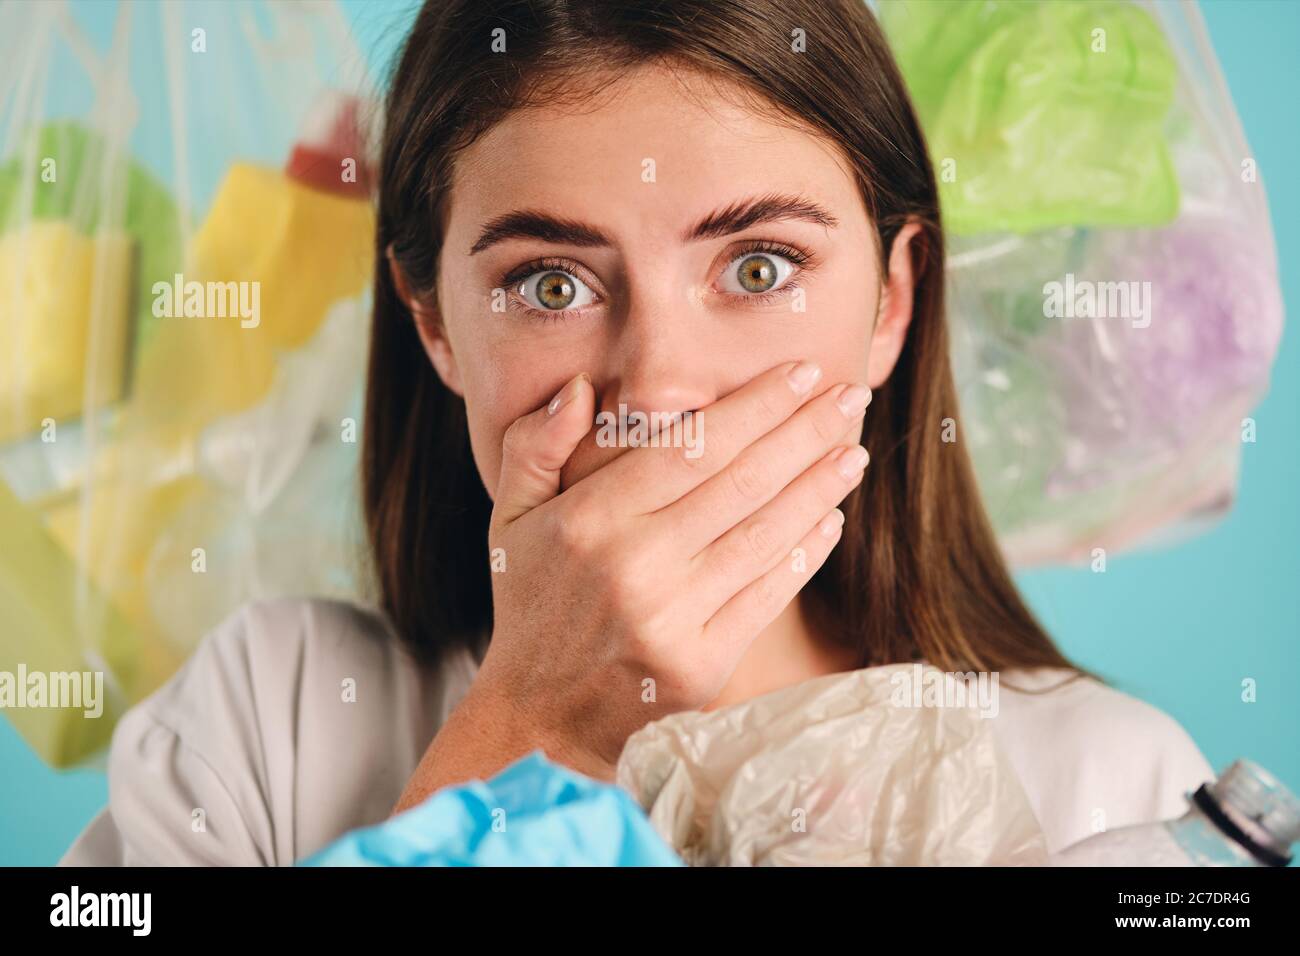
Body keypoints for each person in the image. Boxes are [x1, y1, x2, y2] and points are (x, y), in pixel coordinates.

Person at [61, 0, 1212, 866]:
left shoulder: (1121, 793)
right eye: (550, 283)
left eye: (760, 266)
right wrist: (534, 724)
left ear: (891, 304)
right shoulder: (269, 719)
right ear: (434, 324)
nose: (656, 386)